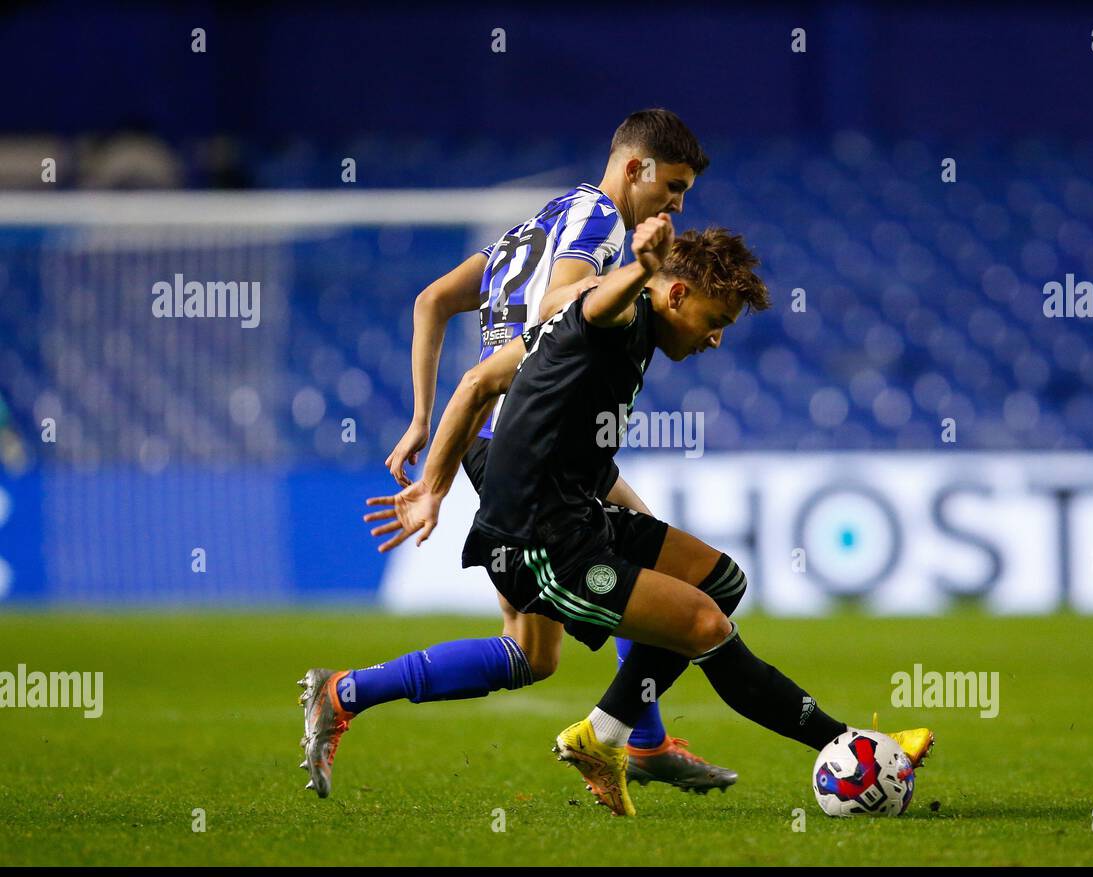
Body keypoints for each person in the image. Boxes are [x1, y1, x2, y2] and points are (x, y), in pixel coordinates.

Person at [365, 216, 934, 816]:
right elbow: (483, 377)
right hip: (539, 544)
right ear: (677, 294)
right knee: (703, 627)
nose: (715, 339)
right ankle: (844, 743)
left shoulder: (628, 333)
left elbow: (537, 408)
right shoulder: (620, 314)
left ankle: (606, 735)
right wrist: (434, 485)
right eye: (715, 322)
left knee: (720, 581)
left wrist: (634, 515)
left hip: (579, 516)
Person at [299, 110, 733, 798]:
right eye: (673, 187)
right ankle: (640, 742)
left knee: (532, 653)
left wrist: (422, 418)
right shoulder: (599, 224)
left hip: (502, 443)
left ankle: (344, 692)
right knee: (649, 562)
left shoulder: (535, 226)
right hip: (539, 443)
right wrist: (634, 278)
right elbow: (557, 305)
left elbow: (432, 300)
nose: (678, 205)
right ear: (634, 169)